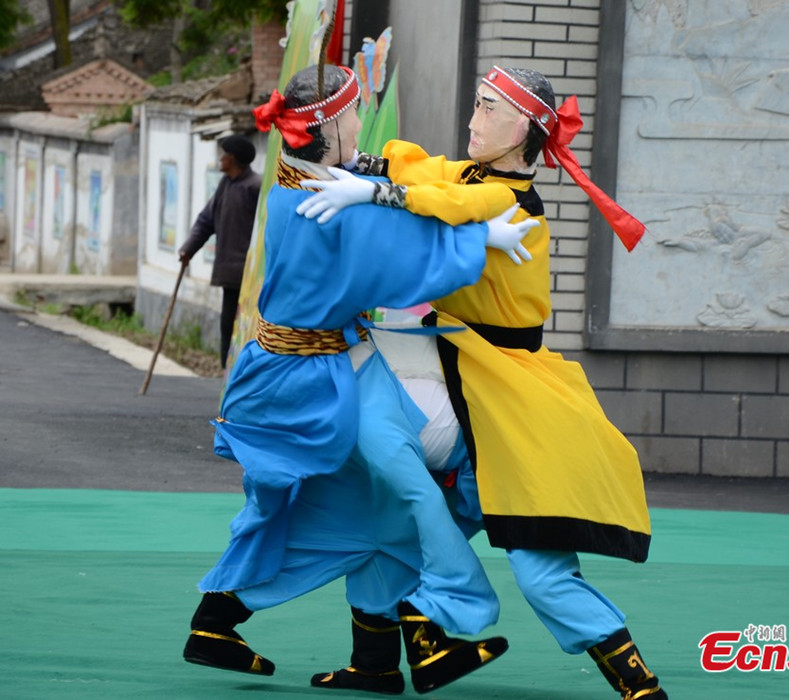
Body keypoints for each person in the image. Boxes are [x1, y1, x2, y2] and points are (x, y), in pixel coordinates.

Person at [298, 66, 668, 699]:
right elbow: (434, 175)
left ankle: (639, 687)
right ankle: (376, 663)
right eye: (474, 104)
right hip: (466, 379)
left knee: (538, 563)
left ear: (523, 126)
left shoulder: (508, 199)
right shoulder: (475, 174)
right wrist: (360, 160)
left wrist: (368, 194)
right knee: (395, 532)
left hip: (514, 392)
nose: (472, 120)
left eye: (487, 108)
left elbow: (453, 204)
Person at [182, 64, 539, 695]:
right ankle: (421, 635)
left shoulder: (302, 180)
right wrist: (481, 237)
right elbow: (396, 255)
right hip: (310, 382)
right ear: (326, 126)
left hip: (293, 373)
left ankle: (367, 656)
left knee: (329, 509)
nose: (358, 126)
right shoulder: (325, 205)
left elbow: (381, 214)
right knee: (356, 505)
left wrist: (388, 181)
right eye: (350, 117)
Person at [178, 134, 262, 368]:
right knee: (228, 326)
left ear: (232, 159)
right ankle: (227, 372)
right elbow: (206, 221)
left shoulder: (254, 187)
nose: (219, 159)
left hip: (251, 275)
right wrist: (188, 250)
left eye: (222, 154)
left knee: (249, 327)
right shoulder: (226, 185)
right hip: (230, 275)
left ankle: (244, 373)